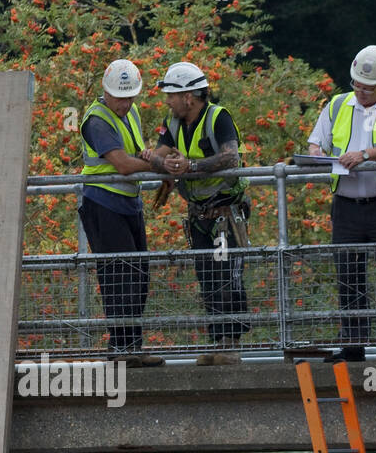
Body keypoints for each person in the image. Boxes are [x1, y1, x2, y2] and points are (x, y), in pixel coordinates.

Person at [308, 44, 376, 361]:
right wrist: (317, 156)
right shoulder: (337, 104)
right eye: (357, 84)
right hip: (346, 204)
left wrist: (365, 155)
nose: (361, 92)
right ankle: (353, 345)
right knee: (348, 274)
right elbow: (316, 143)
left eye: (368, 88)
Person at [147, 61, 251, 365]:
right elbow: (160, 154)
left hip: (225, 212)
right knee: (207, 276)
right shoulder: (173, 122)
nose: (167, 100)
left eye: (171, 95)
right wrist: (159, 162)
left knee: (227, 275)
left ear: (188, 96)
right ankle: (217, 341)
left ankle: (230, 343)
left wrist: (190, 167)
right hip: (200, 215)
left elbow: (231, 157)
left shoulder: (218, 118)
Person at [79, 58, 164, 366]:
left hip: (127, 203)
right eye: (120, 97)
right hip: (104, 205)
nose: (125, 104)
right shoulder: (97, 120)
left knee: (138, 276)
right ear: (105, 90)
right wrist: (156, 162)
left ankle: (131, 347)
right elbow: (124, 165)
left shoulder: (130, 111)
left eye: (130, 97)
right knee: (120, 279)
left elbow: (133, 155)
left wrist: (148, 155)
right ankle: (123, 349)